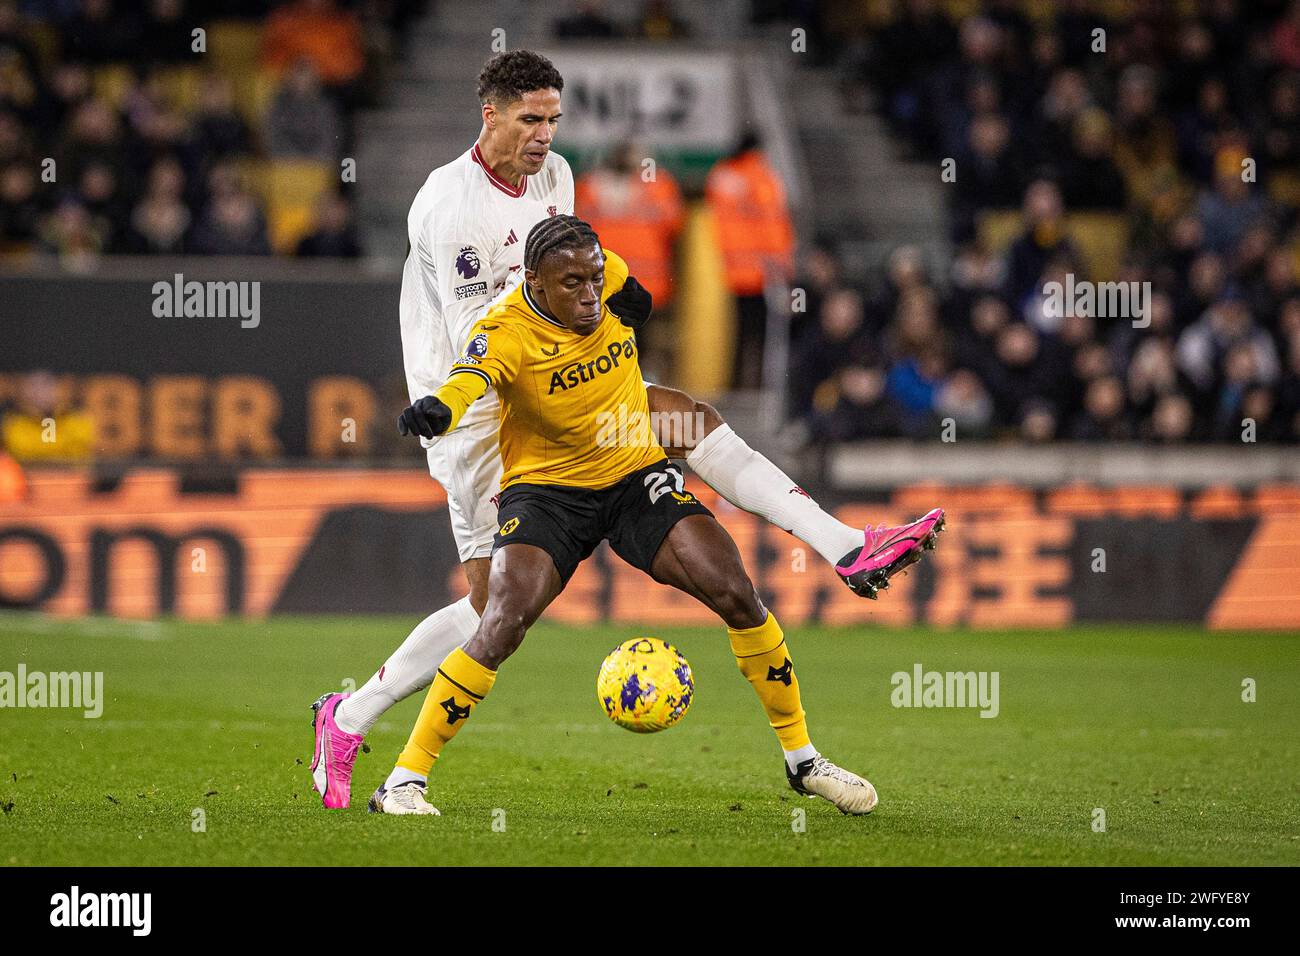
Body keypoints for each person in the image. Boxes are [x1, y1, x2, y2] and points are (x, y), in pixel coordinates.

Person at [308, 51, 944, 810]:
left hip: (568, 382)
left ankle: (845, 544)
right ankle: (346, 718)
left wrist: (618, 289)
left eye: (553, 120)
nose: (545, 136)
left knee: (693, 423)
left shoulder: (556, 175)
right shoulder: (450, 211)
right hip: (478, 410)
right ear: (489, 115)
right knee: (488, 610)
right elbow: (488, 342)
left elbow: (574, 263)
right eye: (529, 121)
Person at [370, 217, 892, 816]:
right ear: (534, 283)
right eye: (573, 284)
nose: (592, 294)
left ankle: (804, 761)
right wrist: (441, 408)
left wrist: (631, 287)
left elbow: (627, 286)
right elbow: (471, 377)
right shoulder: (507, 330)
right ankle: (404, 781)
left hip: (633, 474)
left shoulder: (604, 272)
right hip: (548, 492)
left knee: (737, 591)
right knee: (502, 619)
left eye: (595, 277)